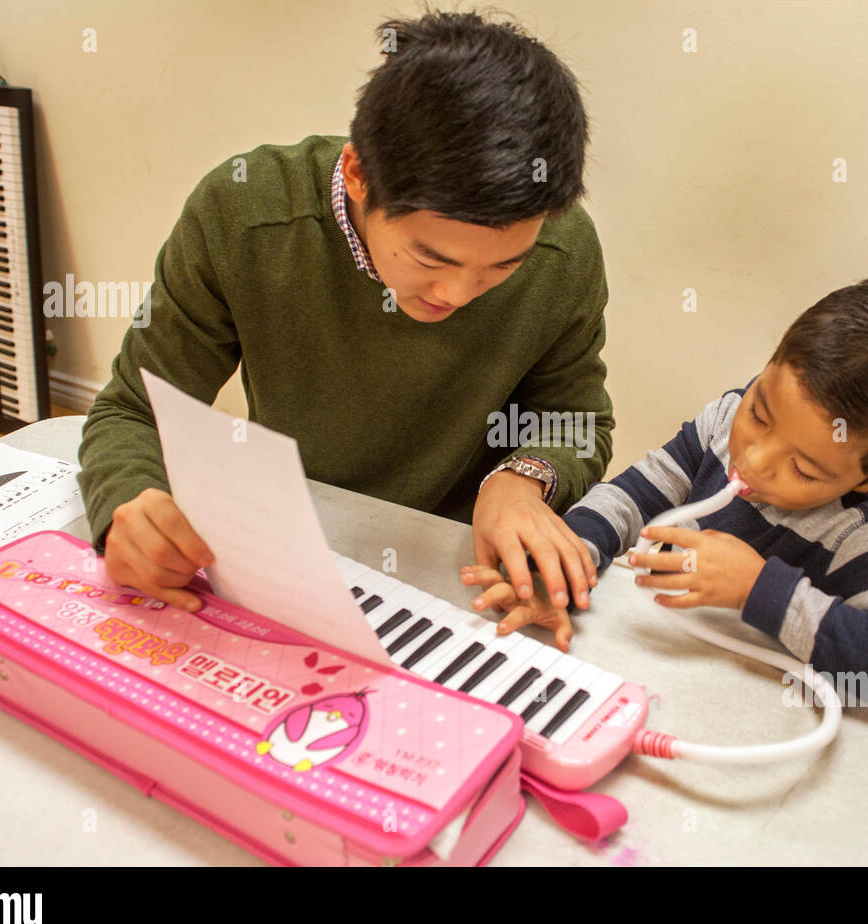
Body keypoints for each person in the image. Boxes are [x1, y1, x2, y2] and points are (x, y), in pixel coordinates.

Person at [77, 11, 614, 615]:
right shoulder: (245, 215)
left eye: (502, 268)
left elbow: (576, 420)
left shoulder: (564, 252)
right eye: (428, 257)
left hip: (461, 567)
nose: (458, 294)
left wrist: (520, 481)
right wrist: (131, 500)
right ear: (359, 173)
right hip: (289, 544)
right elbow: (130, 409)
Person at [461, 272, 868, 729]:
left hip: (752, 722)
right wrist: (560, 569)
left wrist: (760, 589)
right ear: (775, 354)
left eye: (803, 467)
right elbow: (629, 498)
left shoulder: (854, 537)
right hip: (650, 683)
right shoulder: (722, 421)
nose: (755, 460)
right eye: (760, 412)